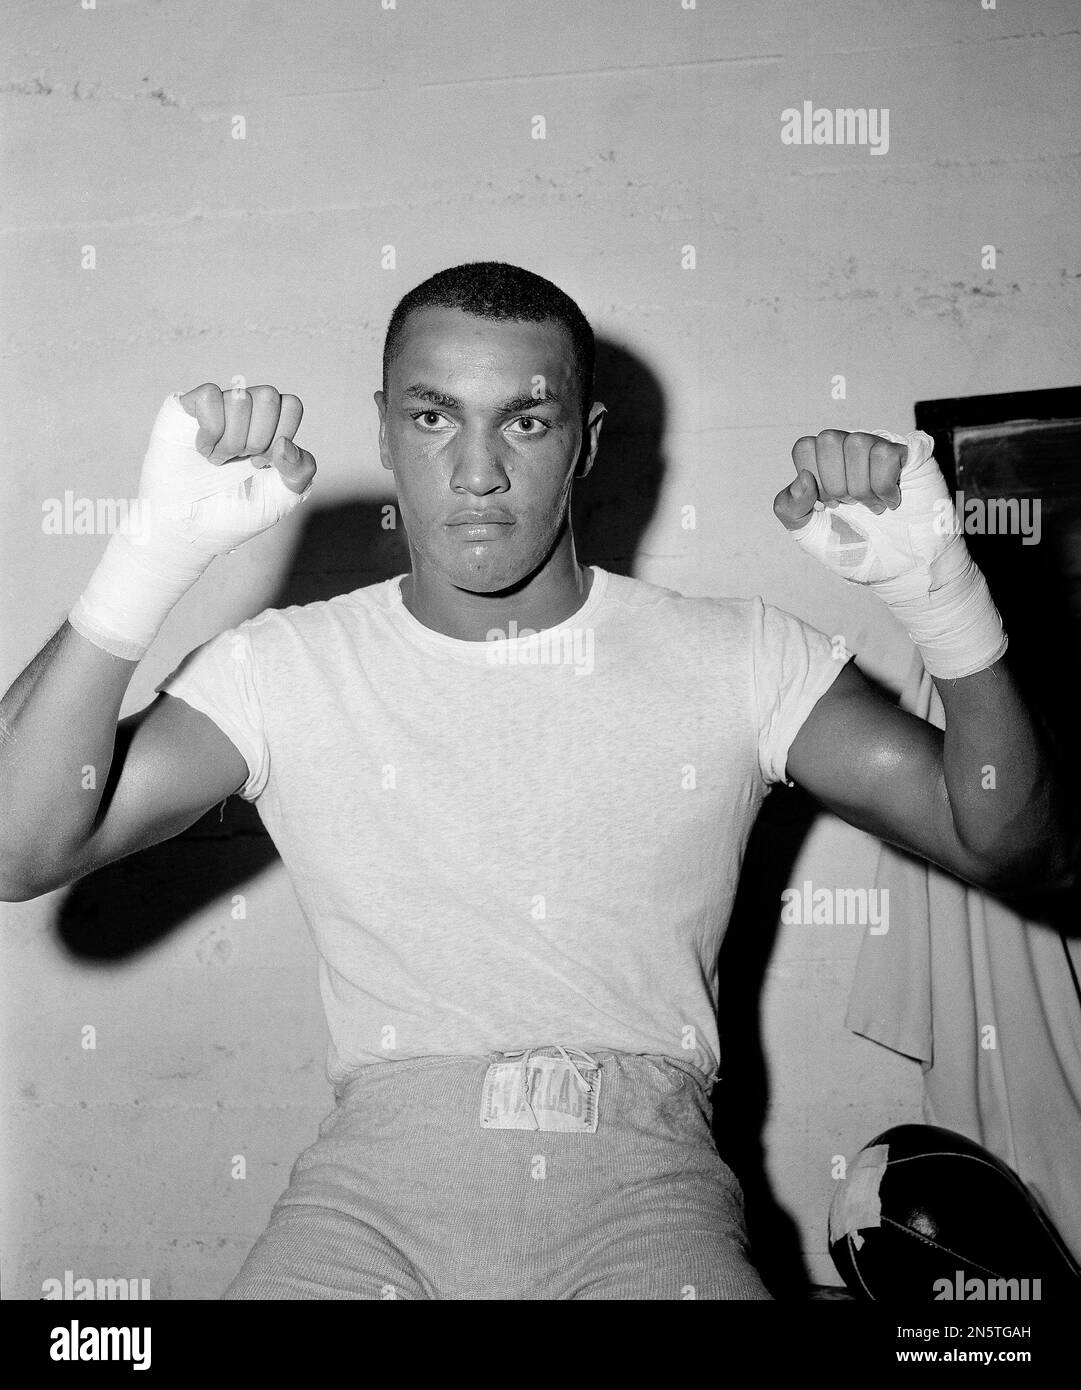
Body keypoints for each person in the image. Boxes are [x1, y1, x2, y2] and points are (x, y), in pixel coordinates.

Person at [0, 261, 1072, 1300]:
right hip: (368, 1197)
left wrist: (946, 604)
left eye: (524, 418)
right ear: (383, 429)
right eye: (432, 418)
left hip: (645, 1198)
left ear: (585, 442)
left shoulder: (738, 655)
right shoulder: (282, 666)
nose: (476, 473)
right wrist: (143, 556)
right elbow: (18, 847)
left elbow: (1006, 841)